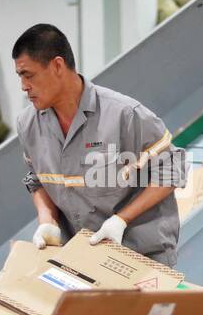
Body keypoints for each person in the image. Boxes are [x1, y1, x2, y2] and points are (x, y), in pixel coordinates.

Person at [13, 23, 185, 267]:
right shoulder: (28, 124)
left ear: (57, 66)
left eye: (29, 75)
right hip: (83, 257)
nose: (24, 86)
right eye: (20, 77)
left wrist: (121, 220)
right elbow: (37, 179)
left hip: (141, 256)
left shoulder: (124, 115)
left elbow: (171, 170)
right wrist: (47, 219)